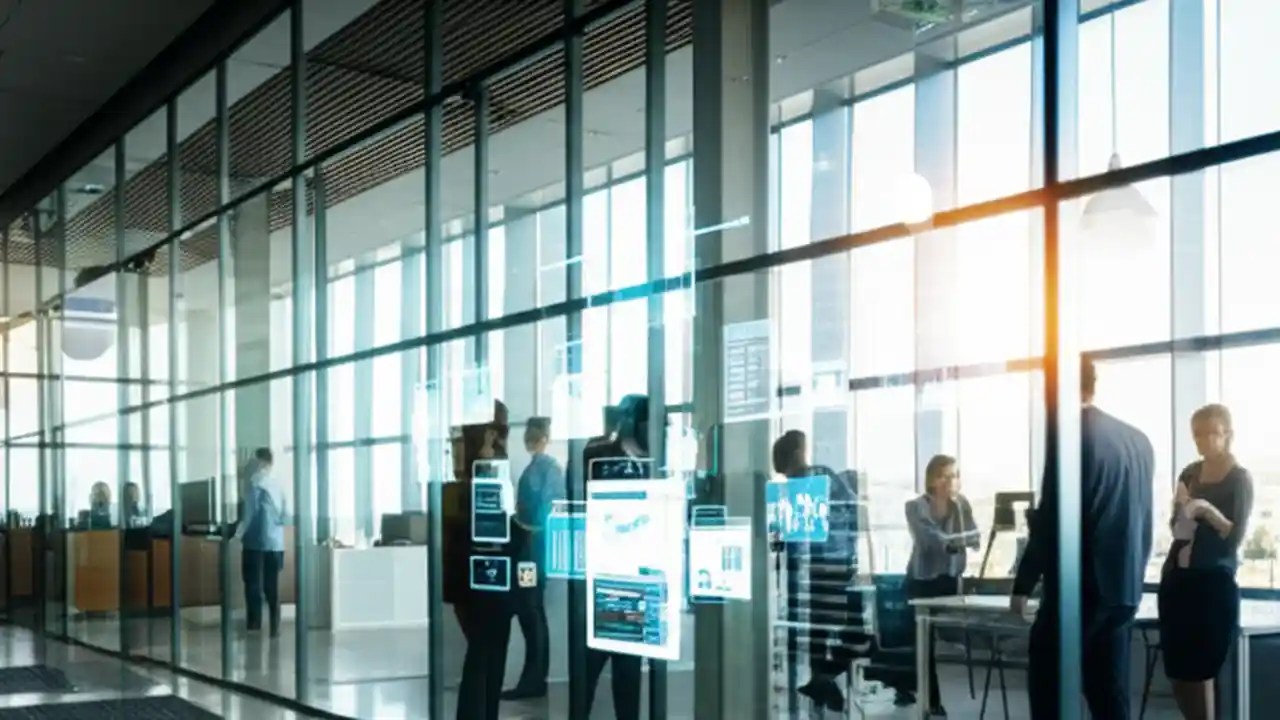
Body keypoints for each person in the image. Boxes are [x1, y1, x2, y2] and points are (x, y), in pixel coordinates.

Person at [1011, 357, 1154, 720]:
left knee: (1049, 687)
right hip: (1123, 589)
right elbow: (1141, 516)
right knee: (1108, 691)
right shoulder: (1138, 440)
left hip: (1081, 590)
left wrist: (1023, 584)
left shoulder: (1071, 437)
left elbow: (1052, 520)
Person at [1158, 403, 1253, 720]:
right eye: (1197, 434)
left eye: (1211, 433)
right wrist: (1183, 511)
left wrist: (1206, 511)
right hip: (1177, 578)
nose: (1202, 440)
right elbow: (1176, 526)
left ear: (1228, 435)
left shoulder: (1239, 479)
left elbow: (1234, 536)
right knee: (1177, 671)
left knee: (1201, 671)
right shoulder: (1189, 472)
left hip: (1211, 582)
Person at [775, 430, 866, 713]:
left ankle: (823, 679)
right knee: (822, 627)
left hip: (817, 566)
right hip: (828, 563)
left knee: (820, 628)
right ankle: (822, 682)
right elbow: (851, 510)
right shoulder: (816, 477)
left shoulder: (799, 484)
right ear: (797, 453)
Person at [903, 454, 979, 715]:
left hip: (949, 579)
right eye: (945, 476)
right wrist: (956, 542)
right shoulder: (914, 506)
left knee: (947, 638)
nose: (951, 481)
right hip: (922, 581)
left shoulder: (962, 505)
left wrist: (952, 542)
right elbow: (929, 541)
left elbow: (975, 536)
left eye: (954, 475)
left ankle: (925, 695)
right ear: (932, 479)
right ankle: (932, 701)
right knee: (923, 644)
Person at [502, 416, 564, 701]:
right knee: (531, 613)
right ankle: (533, 678)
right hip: (528, 551)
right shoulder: (537, 468)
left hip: (533, 553)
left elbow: (547, 511)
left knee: (531, 612)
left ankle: (534, 680)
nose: (530, 437)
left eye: (534, 433)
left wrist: (522, 523)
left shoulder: (548, 469)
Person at [234, 448, 288, 637]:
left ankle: (254, 625)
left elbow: (249, 514)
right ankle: (275, 626)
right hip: (276, 543)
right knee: (272, 587)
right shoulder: (279, 484)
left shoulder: (255, 483)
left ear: (260, 462)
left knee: (253, 585)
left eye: (253, 461)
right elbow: (285, 516)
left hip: (255, 543)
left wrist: (237, 535)